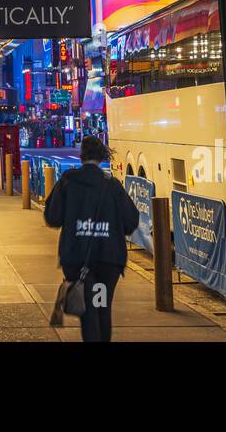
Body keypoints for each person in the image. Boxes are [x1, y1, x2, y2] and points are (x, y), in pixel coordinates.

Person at [43, 136, 139, 342]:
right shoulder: (111, 185)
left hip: (78, 259)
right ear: (102, 155)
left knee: (88, 313)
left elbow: (52, 217)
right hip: (107, 260)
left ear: (81, 156)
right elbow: (131, 221)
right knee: (102, 307)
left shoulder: (68, 181)